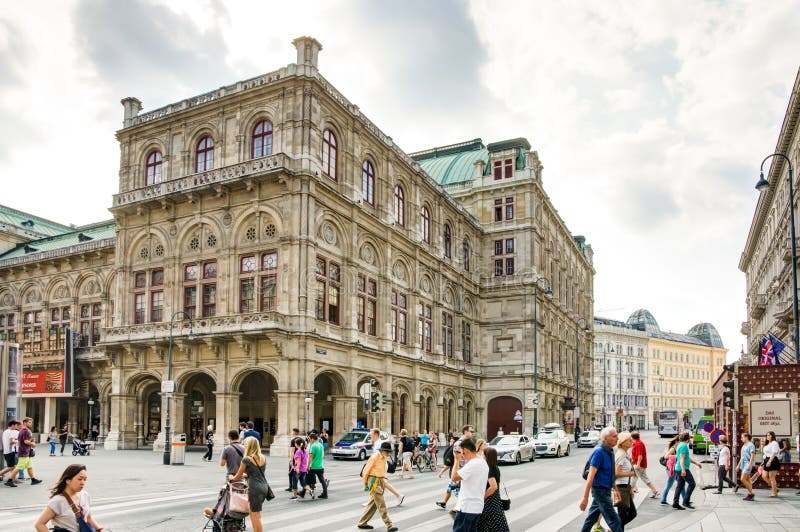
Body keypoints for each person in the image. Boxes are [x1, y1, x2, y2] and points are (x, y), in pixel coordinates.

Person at [34, 464, 104, 532]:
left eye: (85, 479)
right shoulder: (58, 500)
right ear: (68, 480)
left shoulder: (85, 495)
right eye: (80, 479)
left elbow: (88, 518)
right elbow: (39, 524)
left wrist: (100, 529)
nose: (83, 482)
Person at [579, 426, 623, 532]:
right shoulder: (599, 452)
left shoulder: (610, 451)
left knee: (591, 518)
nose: (617, 438)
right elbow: (590, 476)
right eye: (614, 436)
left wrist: (616, 490)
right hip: (600, 491)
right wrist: (585, 498)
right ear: (605, 438)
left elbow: (610, 474)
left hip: (606, 490)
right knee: (614, 521)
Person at [228, 436, 271, 532]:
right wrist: (247, 475)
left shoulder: (246, 459)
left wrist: (231, 478)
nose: (244, 445)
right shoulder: (263, 457)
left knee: (255, 515)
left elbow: (237, 477)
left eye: (245, 444)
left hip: (254, 488)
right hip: (264, 486)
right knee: (254, 513)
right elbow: (258, 472)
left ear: (249, 446)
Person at [357, 441, 398, 531]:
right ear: (382, 450)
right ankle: (389, 525)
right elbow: (365, 471)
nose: (389, 453)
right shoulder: (374, 457)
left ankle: (362, 522)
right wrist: (365, 483)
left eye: (389, 452)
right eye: (387, 451)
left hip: (380, 480)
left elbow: (381, 471)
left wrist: (384, 479)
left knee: (374, 504)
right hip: (373, 480)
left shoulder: (384, 458)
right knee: (381, 504)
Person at [451, 438, 489, 532]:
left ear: (466, 450)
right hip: (477, 507)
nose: (462, 456)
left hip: (467, 507)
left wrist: (456, 460)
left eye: (462, 453)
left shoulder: (472, 464)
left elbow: (454, 477)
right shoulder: (482, 462)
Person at [368, 428, 404, 506]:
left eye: (371, 435)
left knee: (377, 482)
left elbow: (379, 457)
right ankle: (398, 496)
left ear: (376, 435)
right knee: (382, 483)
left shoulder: (379, 443)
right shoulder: (378, 442)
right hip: (381, 466)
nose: (370, 436)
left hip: (381, 466)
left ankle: (398, 496)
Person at [477, 447, 509, 532]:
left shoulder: (489, 468)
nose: (481, 455)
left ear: (487, 456)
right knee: (497, 524)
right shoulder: (494, 466)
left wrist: (483, 496)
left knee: (490, 524)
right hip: (495, 499)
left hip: (490, 501)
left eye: (483, 454)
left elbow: (493, 486)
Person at [6, 417, 42, 487]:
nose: (31, 424)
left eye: (31, 422)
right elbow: (26, 441)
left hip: (26, 452)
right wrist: (33, 444)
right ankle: (9, 481)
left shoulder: (24, 430)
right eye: (29, 422)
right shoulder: (25, 431)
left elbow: (24, 440)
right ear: (25, 423)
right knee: (19, 467)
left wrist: (31, 441)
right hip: (24, 452)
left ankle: (33, 479)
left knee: (29, 466)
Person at [614, 432, 637, 529]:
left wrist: (630, 488)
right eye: (629, 440)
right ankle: (614, 529)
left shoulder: (625, 453)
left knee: (629, 514)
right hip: (621, 487)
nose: (632, 442)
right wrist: (630, 473)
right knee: (625, 515)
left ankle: (613, 529)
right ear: (623, 442)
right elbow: (617, 473)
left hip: (625, 486)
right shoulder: (621, 454)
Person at [672, 430, 700, 510]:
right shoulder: (684, 446)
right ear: (687, 439)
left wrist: (696, 463)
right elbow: (682, 459)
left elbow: (686, 458)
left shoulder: (680, 445)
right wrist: (683, 470)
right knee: (692, 484)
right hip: (682, 468)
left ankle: (675, 503)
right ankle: (686, 502)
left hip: (679, 468)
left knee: (680, 486)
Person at [629, 431, 658, 498]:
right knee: (638, 478)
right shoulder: (637, 443)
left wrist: (638, 464)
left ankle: (629, 491)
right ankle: (654, 490)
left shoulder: (638, 444)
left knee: (637, 478)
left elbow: (640, 455)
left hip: (639, 465)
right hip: (638, 464)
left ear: (632, 437)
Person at [660, 436, 685, 505]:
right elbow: (666, 456)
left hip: (674, 469)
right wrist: (676, 456)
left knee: (680, 484)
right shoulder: (673, 449)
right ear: (677, 442)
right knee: (678, 484)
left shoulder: (677, 448)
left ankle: (685, 499)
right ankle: (685, 499)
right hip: (671, 470)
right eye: (680, 442)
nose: (680, 443)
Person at [307, 432, 329, 499]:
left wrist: (308, 466)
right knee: (322, 481)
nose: (309, 440)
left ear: (312, 439)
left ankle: (310, 493)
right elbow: (322, 455)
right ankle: (325, 494)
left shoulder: (313, 446)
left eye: (310, 439)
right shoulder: (320, 445)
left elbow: (310, 457)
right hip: (320, 466)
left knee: (310, 480)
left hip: (313, 466)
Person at [738, 432, 756, 501]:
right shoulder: (744, 445)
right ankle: (750, 494)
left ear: (746, 437)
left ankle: (751, 494)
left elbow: (752, 455)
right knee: (748, 480)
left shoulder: (751, 445)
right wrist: (738, 465)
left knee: (743, 479)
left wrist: (750, 464)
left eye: (742, 437)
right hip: (743, 463)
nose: (741, 439)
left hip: (748, 463)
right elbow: (742, 457)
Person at [762, 430, 781, 497]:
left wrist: (770, 461)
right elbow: (766, 454)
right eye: (767, 435)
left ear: (772, 436)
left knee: (772, 477)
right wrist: (763, 462)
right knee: (764, 476)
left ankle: (774, 493)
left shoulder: (774, 443)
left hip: (773, 460)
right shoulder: (768, 444)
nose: (768, 436)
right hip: (766, 460)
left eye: (769, 435)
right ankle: (775, 488)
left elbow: (774, 453)